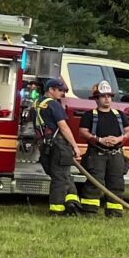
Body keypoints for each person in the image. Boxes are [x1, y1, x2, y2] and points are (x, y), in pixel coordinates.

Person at [79, 79, 129, 217]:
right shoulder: (90, 115)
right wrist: (99, 139)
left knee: (116, 183)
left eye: (109, 96)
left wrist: (119, 139)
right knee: (94, 183)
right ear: (96, 98)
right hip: (96, 154)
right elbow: (82, 131)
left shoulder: (119, 115)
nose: (107, 99)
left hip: (116, 154)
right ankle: (89, 211)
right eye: (103, 96)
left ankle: (114, 212)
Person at [36, 76, 81, 217]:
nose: (62, 94)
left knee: (63, 175)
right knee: (60, 178)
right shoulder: (54, 104)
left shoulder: (37, 103)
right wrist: (75, 146)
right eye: (60, 90)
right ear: (51, 90)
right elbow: (64, 127)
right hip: (58, 145)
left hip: (44, 145)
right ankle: (57, 210)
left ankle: (72, 203)